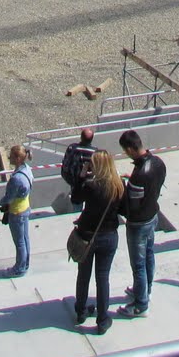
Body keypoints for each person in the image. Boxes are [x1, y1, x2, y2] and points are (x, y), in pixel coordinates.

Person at [71, 149, 124, 335]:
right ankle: (102, 319)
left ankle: (81, 310)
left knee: (83, 275)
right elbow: (123, 209)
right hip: (109, 235)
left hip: (88, 234)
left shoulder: (90, 186)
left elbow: (75, 198)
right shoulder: (118, 185)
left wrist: (81, 175)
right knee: (103, 278)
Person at [117, 130, 166, 318]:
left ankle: (140, 304)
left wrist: (123, 188)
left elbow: (133, 206)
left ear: (130, 149)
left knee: (138, 264)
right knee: (149, 254)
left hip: (138, 223)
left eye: (125, 151)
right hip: (153, 215)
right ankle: (147, 288)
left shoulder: (139, 175)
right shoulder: (158, 163)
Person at [1, 144, 33, 278]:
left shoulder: (16, 179)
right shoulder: (27, 169)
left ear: (18, 158)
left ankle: (19, 268)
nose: (9, 158)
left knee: (19, 242)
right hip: (25, 207)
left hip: (16, 212)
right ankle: (25, 264)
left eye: (12, 156)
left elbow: (8, 197)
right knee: (25, 239)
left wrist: (2, 203)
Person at [59, 127, 96, 206]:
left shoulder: (71, 148)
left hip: (72, 180)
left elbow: (65, 164)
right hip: (88, 183)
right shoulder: (95, 152)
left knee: (77, 200)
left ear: (81, 137)